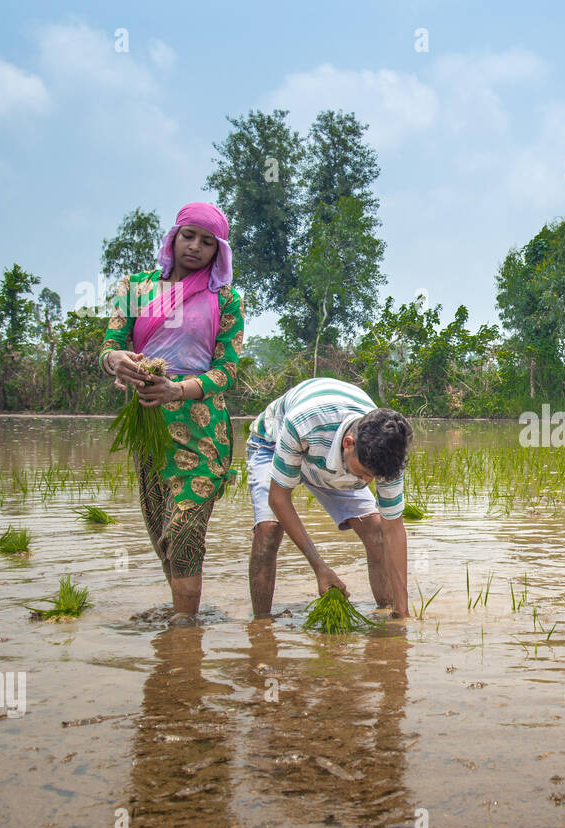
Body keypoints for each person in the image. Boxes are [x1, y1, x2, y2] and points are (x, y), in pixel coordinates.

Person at [101, 201, 245, 622]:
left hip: (203, 431)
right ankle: (183, 638)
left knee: (184, 531)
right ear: (173, 237)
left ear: (218, 252)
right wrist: (116, 363)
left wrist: (177, 389)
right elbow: (109, 348)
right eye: (189, 236)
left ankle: (184, 631)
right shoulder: (135, 288)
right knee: (163, 535)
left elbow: (227, 370)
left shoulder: (225, 299)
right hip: (149, 427)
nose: (196, 248)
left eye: (207, 242)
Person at [247, 378, 412, 619]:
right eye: (365, 474)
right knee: (269, 530)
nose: (368, 482)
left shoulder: (386, 453)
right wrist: (320, 567)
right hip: (272, 444)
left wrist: (403, 613)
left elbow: (393, 530)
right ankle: (262, 627)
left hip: (335, 459)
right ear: (349, 443)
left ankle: (387, 611)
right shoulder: (305, 421)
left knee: (376, 531)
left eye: (374, 477)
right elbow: (278, 498)